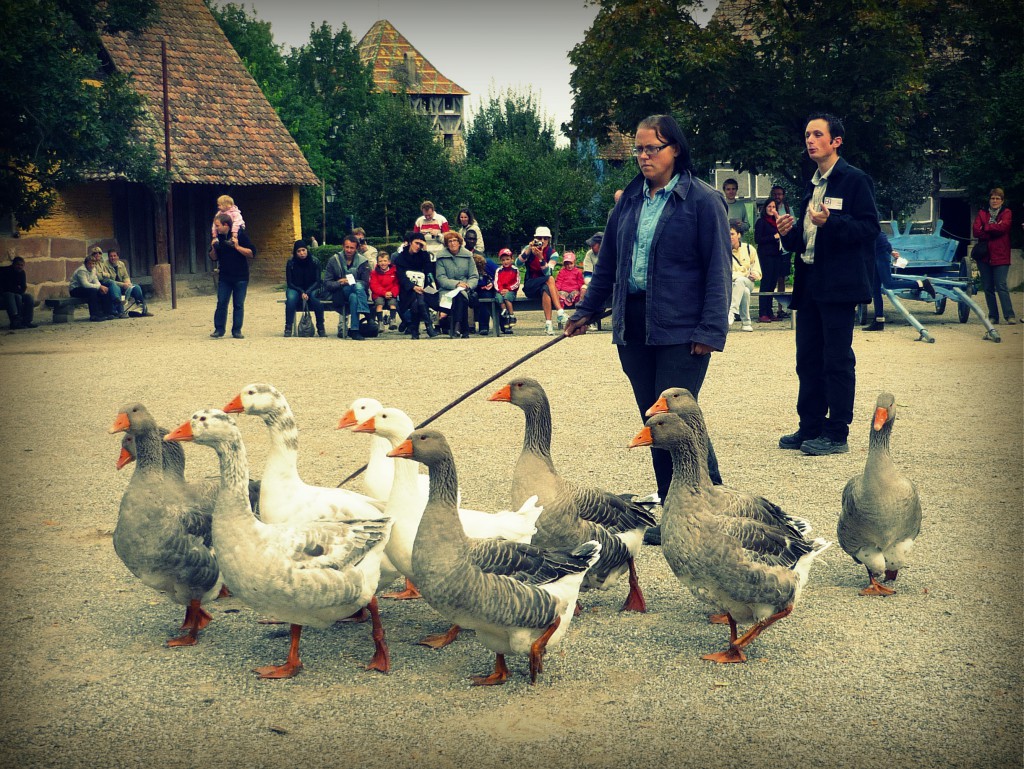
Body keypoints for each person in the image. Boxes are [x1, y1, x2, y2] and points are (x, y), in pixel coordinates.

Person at [564, 113, 730, 544]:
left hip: (682, 329)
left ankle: (709, 507)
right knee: (655, 421)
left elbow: (718, 270)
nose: (642, 156)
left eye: (651, 148)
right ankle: (672, 508)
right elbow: (608, 266)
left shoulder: (703, 200)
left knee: (678, 419)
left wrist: (710, 330)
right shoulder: (630, 200)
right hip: (634, 326)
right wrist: (585, 311)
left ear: (675, 149)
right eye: (638, 149)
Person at [776, 112, 880, 456]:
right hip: (809, 284)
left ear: (836, 141)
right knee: (807, 359)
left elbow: (869, 229)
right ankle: (810, 426)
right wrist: (788, 234)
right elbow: (807, 241)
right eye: (807, 134)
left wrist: (832, 222)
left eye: (817, 134)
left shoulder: (854, 180)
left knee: (836, 360)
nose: (810, 140)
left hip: (838, 286)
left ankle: (837, 433)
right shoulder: (814, 183)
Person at [864, 231, 935, 332]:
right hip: (875, 256)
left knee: (888, 284)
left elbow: (881, 237)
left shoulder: (870, 222)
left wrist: (890, 251)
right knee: (875, 290)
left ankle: (921, 283)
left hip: (881, 256)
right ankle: (878, 321)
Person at [972, 188, 1016, 325]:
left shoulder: (1006, 212)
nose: (995, 201)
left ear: (1002, 201)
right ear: (989, 200)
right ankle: (993, 316)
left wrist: (986, 227)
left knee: (1001, 285)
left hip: (1001, 255)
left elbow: (1004, 228)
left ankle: (1009, 315)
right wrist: (993, 227)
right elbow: (976, 231)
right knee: (987, 287)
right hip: (984, 256)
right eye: (992, 198)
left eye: (997, 198)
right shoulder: (982, 213)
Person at [209, 213, 255, 339]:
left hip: (241, 276)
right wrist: (213, 248)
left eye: (218, 225)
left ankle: (237, 330)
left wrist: (237, 246)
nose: (216, 228)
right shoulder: (217, 237)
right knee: (221, 303)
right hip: (224, 277)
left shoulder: (240, 235)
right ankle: (219, 329)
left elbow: (252, 253)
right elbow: (213, 257)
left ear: (226, 225)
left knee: (238, 304)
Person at [517, 225, 566, 335]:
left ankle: (548, 324)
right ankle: (560, 311)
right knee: (550, 279)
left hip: (544, 285)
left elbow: (547, 272)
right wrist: (529, 250)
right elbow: (518, 264)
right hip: (530, 284)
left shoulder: (553, 253)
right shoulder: (528, 249)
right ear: (535, 239)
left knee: (546, 288)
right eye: (539, 238)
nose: (542, 241)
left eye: (545, 238)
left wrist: (541, 259)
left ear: (549, 240)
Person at [324, 235, 372, 340]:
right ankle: (367, 314)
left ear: (356, 248)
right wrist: (341, 283)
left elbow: (366, 283)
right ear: (343, 246)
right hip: (340, 293)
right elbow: (327, 283)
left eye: (352, 248)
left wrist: (349, 281)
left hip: (357, 293)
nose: (349, 250)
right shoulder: (334, 260)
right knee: (357, 287)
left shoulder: (363, 261)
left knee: (355, 295)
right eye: (347, 247)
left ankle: (355, 330)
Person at [394, 231, 439, 339]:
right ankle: (428, 326)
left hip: (424, 287)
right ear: (410, 242)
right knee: (417, 298)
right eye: (416, 243)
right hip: (407, 289)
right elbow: (401, 277)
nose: (418, 246)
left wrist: (425, 251)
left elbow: (429, 272)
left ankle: (415, 331)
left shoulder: (424, 256)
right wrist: (413, 287)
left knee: (419, 300)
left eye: (421, 244)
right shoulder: (401, 257)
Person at [436, 231, 476, 338]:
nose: (453, 243)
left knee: (460, 296)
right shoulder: (441, 257)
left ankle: (456, 326)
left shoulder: (468, 256)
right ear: (446, 244)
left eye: (455, 241)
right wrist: (456, 284)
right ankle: (463, 328)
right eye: (450, 241)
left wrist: (468, 285)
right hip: (447, 289)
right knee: (457, 297)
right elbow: (441, 278)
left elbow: (474, 276)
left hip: (465, 287)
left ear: (459, 243)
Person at [284, 240, 326, 338]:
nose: (302, 253)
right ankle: (288, 327)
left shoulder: (315, 261)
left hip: (312, 287)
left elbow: (318, 281)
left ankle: (320, 326)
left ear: (307, 250)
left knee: (316, 298)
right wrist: (301, 291)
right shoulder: (291, 263)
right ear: (295, 252)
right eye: (299, 251)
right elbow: (289, 282)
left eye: (303, 250)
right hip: (296, 288)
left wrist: (307, 291)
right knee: (291, 298)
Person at [754, 200, 785, 322]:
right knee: (766, 283)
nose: (771, 209)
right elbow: (758, 239)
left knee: (772, 283)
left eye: (773, 207)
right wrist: (773, 237)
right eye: (769, 206)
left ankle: (769, 311)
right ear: (765, 208)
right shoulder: (761, 222)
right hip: (766, 255)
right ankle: (762, 312)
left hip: (776, 255)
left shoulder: (776, 222)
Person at [98, 248, 150, 316]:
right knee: (116, 288)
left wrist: (128, 283)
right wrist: (123, 284)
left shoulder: (121, 264)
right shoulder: (105, 265)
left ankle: (142, 308)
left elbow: (125, 276)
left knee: (136, 287)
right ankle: (120, 311)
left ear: (118, 257)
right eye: (111, 256)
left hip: (123, 285)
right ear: (108, 257)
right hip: (113, 286)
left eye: (114, 256)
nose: (113, 258)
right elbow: (108, 281)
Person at [69, 252, 119, 322]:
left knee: (104, 289)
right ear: (85, 264)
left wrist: (100, 287)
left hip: (86, 288)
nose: (91, 265)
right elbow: (85, 284)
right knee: (93, 291)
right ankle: (94, 315)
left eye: (93, 263)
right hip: (75, 290)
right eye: (89, 263)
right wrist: (99, 287)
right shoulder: (81, 270)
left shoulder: (93, 269)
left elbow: (96, 281)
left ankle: (107, 312)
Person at [728, 225, 761, 332]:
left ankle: (731, 312)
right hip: (731, 284)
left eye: (732, 234)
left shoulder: (749, 248)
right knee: (744, 291)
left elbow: (756, 268)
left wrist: (754, 274)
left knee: (741, 282)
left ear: (739, 235)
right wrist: (743, 274)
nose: (730, 236)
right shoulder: (723, 251)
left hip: (748, 281)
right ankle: (746, 322)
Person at [770, 185, 794, 304]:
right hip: (772, 249)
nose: (777, 196)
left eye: (779, 194)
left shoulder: (788, 209)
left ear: (783, 196)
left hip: (785, 249)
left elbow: (793, 226)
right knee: (771, 279)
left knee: (782, 279)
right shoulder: (768, 209)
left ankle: (781, 307)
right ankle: (768, 308)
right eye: (775, 194)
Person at [88, 246, 127, 316]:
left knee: (115, 286)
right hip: (95, 283)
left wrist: (103, 274)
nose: (97, 255)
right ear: (92, 254)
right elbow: (96, 276)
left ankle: (119, 311)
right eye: (95, 253)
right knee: (112, 283)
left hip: (102, 281)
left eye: (99, 253)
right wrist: (104, 274)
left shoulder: (102, 263)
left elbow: (108, 275)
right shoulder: (91, 263)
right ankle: (116, 301)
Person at [0, 256, 37, 328]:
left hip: (16, 293)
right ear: (13, 264)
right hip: (5, 294)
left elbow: (23, 287)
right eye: (18, 264)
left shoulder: (22, 273)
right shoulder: (5, 271)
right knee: (11, 295)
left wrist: (18, 293)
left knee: (29, 297)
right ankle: (15, 321)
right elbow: (4, 286)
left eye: (21, 265)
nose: (19, 267)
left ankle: (27, 321)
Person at [369, 251, 400, 330]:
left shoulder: (394, 272)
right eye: (380, 261)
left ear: (389, 262)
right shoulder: (374, 273)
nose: (383, 263)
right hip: (379, 294)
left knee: (393, 303)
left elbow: (396, 284)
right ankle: (380, 322)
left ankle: (392, 320)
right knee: (379, 304)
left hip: (391, 293)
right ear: (378, 263)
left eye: (385, 261)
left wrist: (393, 293)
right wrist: (384, 293)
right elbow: (374, 285)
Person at [471, 250, 499, 335]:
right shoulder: (470, 265)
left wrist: (492, 283)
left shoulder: (489, 263)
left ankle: (502, 325)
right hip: (474, 287)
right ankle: (483, 326)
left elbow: (500, 275)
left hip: (489, 288)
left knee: (487, 298)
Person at [494, 247, 520, 334]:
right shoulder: (499, 270)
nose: (506, 262)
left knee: (507, 298)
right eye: (503, 260)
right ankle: (505, 313)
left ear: (512, 259)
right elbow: (496, 282)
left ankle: (511, 315)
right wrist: (500, 290)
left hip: (511, 291)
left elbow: (517, 282)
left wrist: (508, 289)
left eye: (508, 259)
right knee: (499, 298)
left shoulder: (515, 270)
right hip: (501, 291)